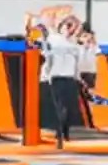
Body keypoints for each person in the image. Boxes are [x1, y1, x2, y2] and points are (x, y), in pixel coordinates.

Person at [30, 14, 83, 149]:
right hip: (58, 76)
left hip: (68, 76)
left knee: (67, 107)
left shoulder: (74, 44)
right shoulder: (55, 39)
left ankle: (64, 132)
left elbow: (76, 63)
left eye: (74, 27)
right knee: (61, 106)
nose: (71, 30)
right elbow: (46, 53)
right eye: (69, 26)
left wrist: (78, 77)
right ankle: (61, 133)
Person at [76, 23, 101, 125]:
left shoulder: (93, 46)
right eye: (84, 36)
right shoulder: (77, 46)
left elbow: (98, 52)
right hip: (79, 72)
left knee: (90, 95)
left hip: (90, 72)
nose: (86, 38)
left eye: (88, 36)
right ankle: (82, 120)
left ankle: (92, 119)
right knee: (79, 96)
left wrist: (91, 43)